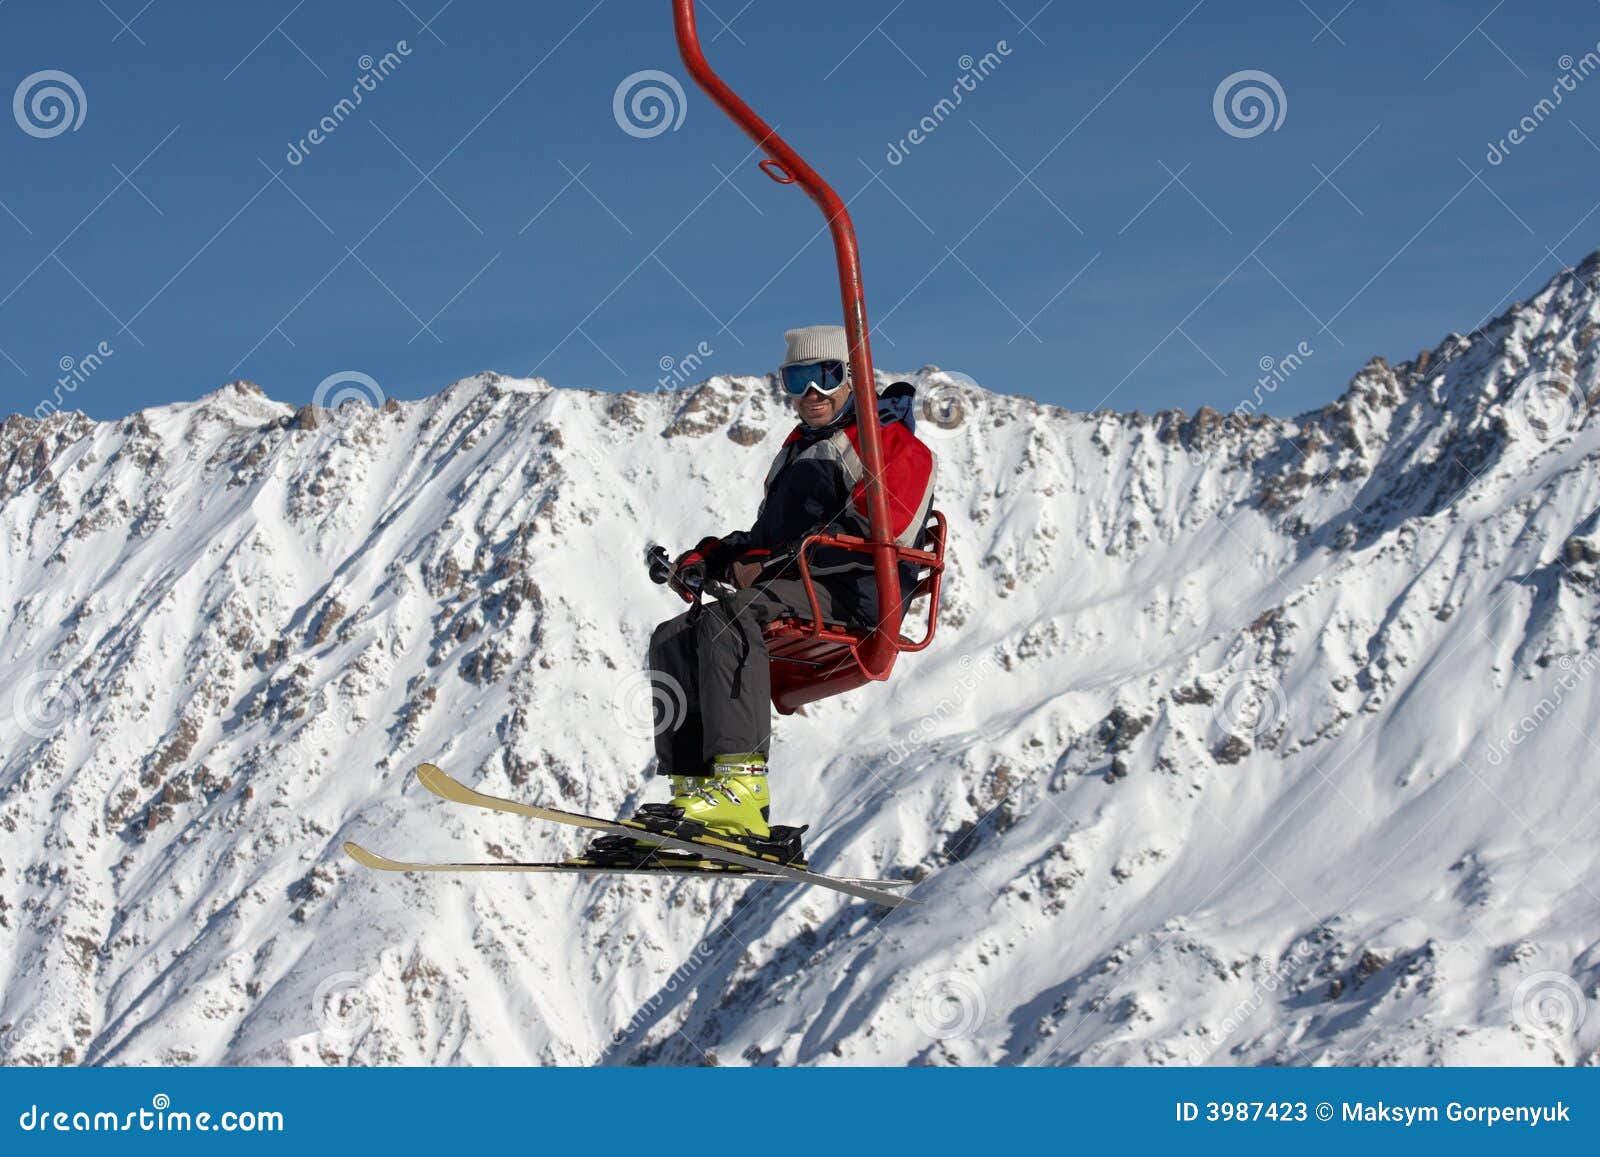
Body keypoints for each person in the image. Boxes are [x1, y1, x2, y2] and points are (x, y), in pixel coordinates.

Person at [638, 325, 936, 848]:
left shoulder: (890, 442)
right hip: (799, 582)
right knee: (671, 635)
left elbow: (883, 531)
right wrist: (711, 558)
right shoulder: (800, 449)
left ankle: (741, 788)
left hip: (857, 594)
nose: (811, 394)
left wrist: (775, 561)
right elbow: (767, 539)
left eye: (826, 376)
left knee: (727, 620)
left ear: (851, 379)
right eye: (797, 380)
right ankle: (694, 785)